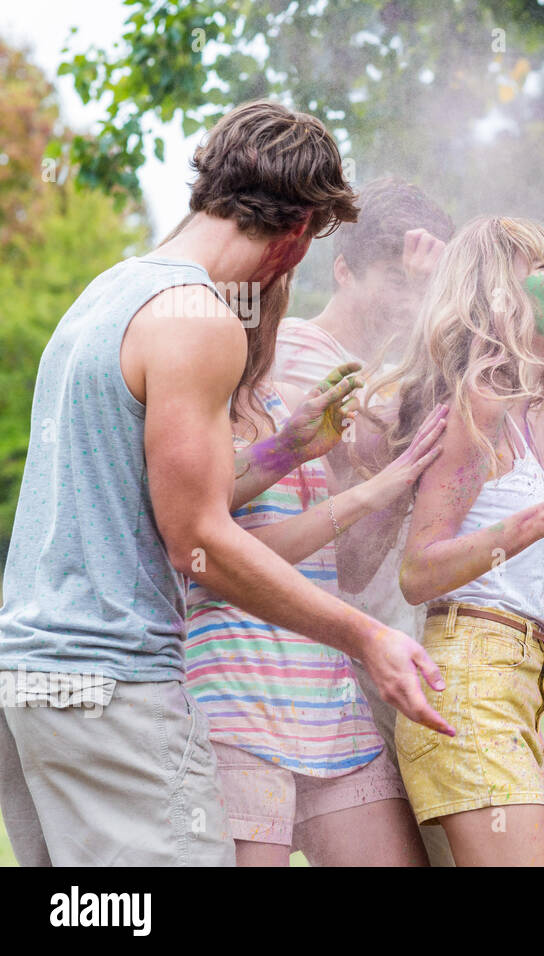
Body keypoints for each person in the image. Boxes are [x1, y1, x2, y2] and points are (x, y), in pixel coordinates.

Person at [0, 100, 450, 866]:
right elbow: (197, 541)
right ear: (299, 232)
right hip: (117, 683)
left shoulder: (107, 295)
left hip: (31, 684)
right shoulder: (197, 319)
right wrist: (365, 635)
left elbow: (157, 496)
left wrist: (281, 452)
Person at [367, 216, 544, 866]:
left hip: (511, 685)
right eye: (541, 266)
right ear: (500, 295)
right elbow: (419, 572)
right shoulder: (474, 413)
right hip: (470, 685)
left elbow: (497, 566)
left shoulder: (523, 419)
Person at [185, 270, 450, 866]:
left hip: (331, 703)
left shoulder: (281, 402)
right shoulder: (194, 407)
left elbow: (340, 564)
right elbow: (219, 557)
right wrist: (374, 489)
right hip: (239, 702)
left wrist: (374, 463)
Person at [272, 176, 458, 865]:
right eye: (396, 277)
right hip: (324, 668)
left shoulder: (404, 366)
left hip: (385, 653)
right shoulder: (294, 355)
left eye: (424, 285)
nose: (412, 299)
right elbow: (350, 558)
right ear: (342, 269)